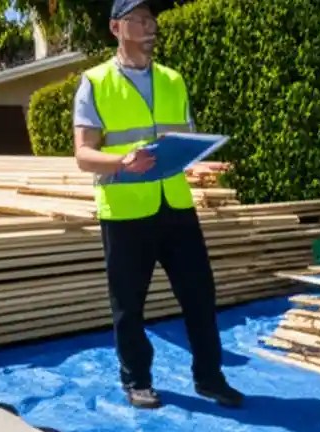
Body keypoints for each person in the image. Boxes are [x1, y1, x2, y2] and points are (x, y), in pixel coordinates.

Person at [72, 0, 244, 410]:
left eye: (152, 20)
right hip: (127, 211)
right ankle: (137, 381)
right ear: (117, 27)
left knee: (200, 295)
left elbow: (181, 143)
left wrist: (199, 164)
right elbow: (83, 155)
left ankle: (210, 378)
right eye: (139, 20)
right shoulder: (94, 83)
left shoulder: (173, 80)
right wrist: (121, 162)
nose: (150, 27)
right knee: (129, 304)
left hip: (176, 207)